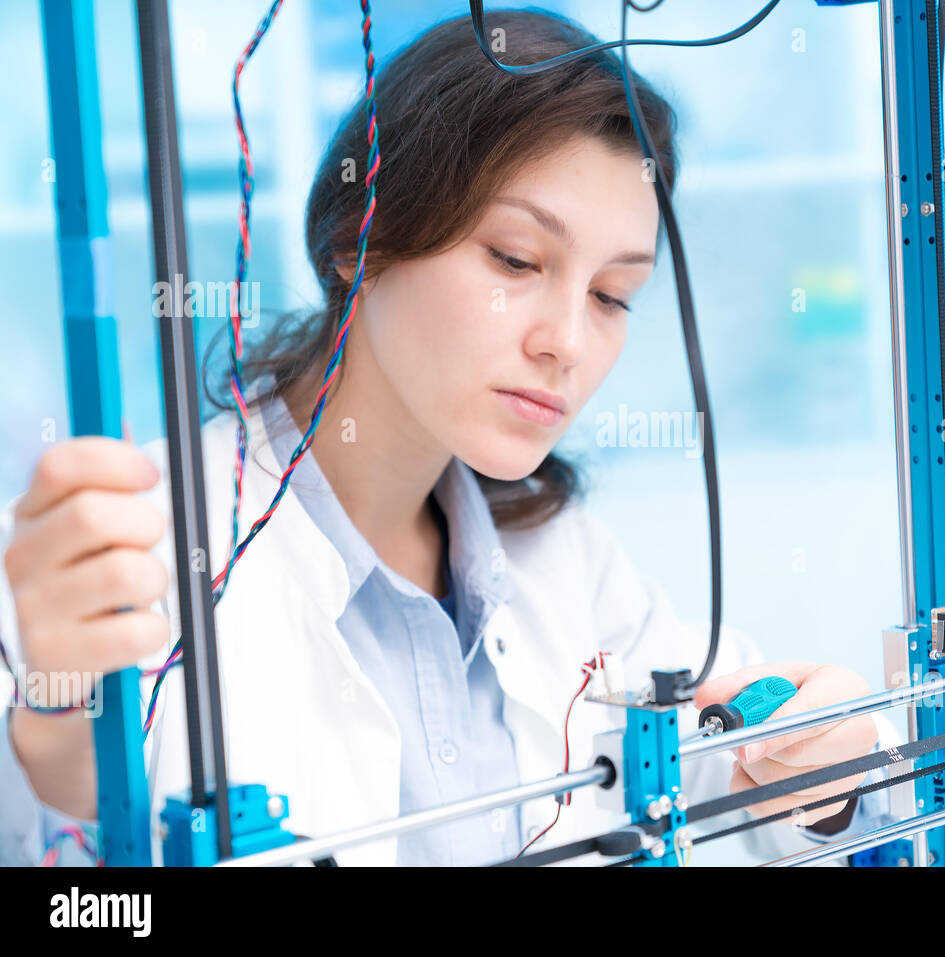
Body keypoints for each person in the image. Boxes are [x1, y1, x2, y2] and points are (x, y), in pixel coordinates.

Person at [0, 9, 898, 866]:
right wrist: (54, 731)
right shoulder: (123, 555)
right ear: (363, 237)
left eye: (612, 295)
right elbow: (61, 819)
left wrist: (822, 771)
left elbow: (741, 769)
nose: (568, 343)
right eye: (515, 259)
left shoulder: (565, 562)